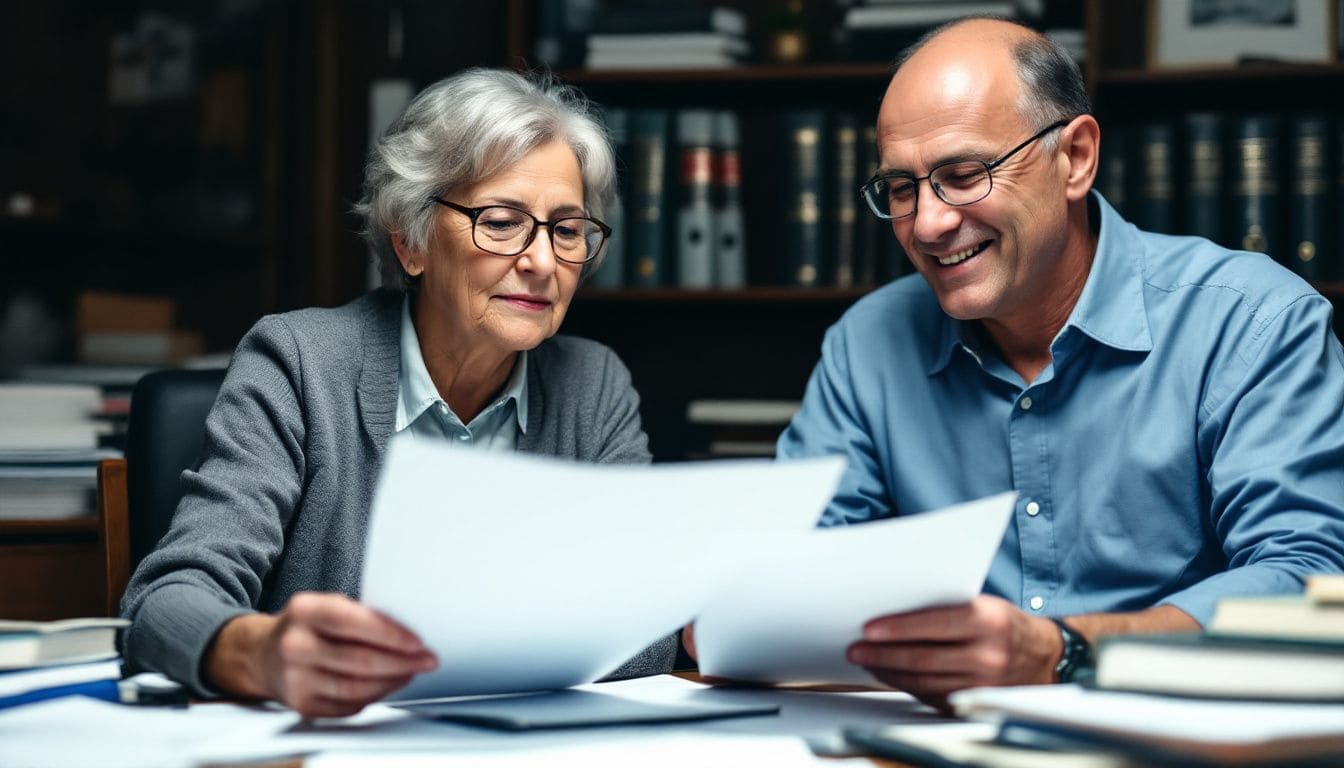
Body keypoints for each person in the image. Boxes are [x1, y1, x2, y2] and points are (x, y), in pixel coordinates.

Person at [767, 18, 1344, 710]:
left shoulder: (1251, 321)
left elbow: (1310, 578)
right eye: (900, 188)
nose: (926, 225)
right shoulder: (868, 344)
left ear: (1075, 158)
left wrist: (1061, 650)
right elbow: (789, 574)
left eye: (962, 175)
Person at [120, 68, 676, 718]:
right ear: (411, 241)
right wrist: (261, 652)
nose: (543, 261)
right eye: (501, 222)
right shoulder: (301, 365)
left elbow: (652, 622)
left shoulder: (593, 385)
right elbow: (163, 605)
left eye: (567, 229)